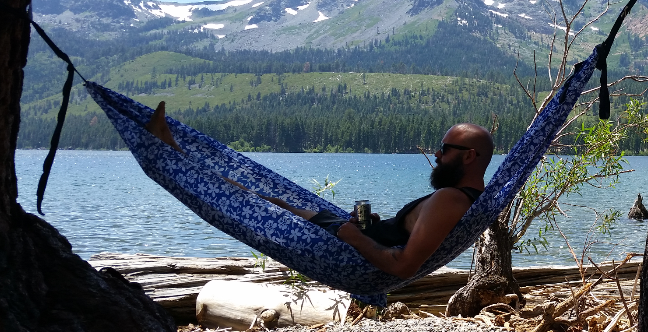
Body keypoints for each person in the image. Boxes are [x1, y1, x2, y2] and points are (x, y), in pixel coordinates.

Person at [144, 102, 494, 279]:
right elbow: (404, 241)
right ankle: (176, 153)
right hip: (354, 239)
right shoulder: (467, 198)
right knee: (271, 199)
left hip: (348, 249)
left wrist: (354, 237)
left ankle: (174, 156)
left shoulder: (450, 198)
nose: (436, 153)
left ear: (469, 156)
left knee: (258, 201)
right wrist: (370, 227)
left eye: (444, 148)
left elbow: (403, 265)